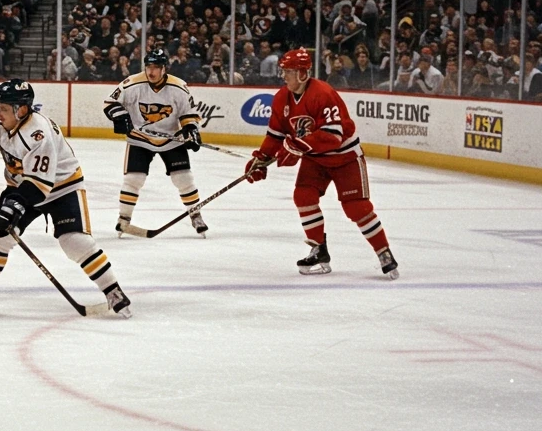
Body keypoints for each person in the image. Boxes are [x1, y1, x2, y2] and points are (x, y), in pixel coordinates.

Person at [0, 79, 131, 319]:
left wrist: (13, 207)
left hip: (62, 186)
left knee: (75, 241)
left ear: (22, 110)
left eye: (4, 108)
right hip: (20, 183)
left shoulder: (39, 134)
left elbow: (39, 185)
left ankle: (113, 291)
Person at [244, 47, 398, 279]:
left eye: (289, 71)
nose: (283, 75)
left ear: (303, 74)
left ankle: (383, 251)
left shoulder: (323, 93)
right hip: (316, 160)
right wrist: (261, 158)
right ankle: (318, 250)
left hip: (344, 157)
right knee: (303, 195)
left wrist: (298, 146)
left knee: (356, 207)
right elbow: (275, 135)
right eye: (283, 71)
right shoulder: (281, 99)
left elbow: (332, 136)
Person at [103, 48, 206, 237]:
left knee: (184, 178)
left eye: (156, 67)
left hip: (171, 140)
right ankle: (124, 218)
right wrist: (121, 116)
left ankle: (195, 215)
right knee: (133, 179)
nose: (151, 71)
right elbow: (110, 103)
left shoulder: (179, 87)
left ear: (164, 68)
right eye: (148, 66)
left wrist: (190, 130)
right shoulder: (132, 83)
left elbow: (188, 114)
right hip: (140, 139)